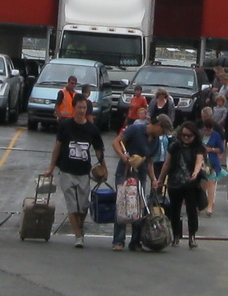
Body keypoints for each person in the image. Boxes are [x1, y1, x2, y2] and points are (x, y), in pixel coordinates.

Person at [44, 95, 107, 248]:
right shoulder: (66, 125)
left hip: (84, 172)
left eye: (84, 108)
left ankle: (80, 225)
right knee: (72, 204)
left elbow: (99, 150)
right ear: (74, 108)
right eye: (79, 107)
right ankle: (78, 236)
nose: (82, 111)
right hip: (66, 170)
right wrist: (51, 167)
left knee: (83, 205)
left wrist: (104, 166)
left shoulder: (92, 128)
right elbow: (57, 147)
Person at [111, 114, 174, 251]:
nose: (162, 134)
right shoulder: (136, 129)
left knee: (139, 208)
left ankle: (135, 241)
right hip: (126, 172)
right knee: (123, 205)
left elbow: (150, 161)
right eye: (163, 130)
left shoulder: (156, 141)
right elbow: (116, 142)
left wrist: (153, 179)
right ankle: (118, 240)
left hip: (141, 175)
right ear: (158, 125)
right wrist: (123, 156)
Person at [154, 121, 206, 249]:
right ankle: (176, 236)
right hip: (175, 182)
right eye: (183, 135)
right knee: (174, 210)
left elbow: (199, 161)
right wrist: (160, 180)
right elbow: (167, 163)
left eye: (189, 136)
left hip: (191, 184)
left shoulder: (198, 147)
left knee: (191, 210)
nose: (186, 138)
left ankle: (192, 237)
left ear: (195, 136)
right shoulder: (175, 146)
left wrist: (195, 172)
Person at [200, 122, 226, 216]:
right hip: (201, 162)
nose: (207, 132)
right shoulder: (200, 135)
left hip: (212, 163)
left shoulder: (216, 135)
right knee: (201, 185)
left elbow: (221, 149)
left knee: (211, 183)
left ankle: (210, 206)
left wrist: (211, 150)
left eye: (209, 130)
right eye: (205, 130)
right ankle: (200, 204)